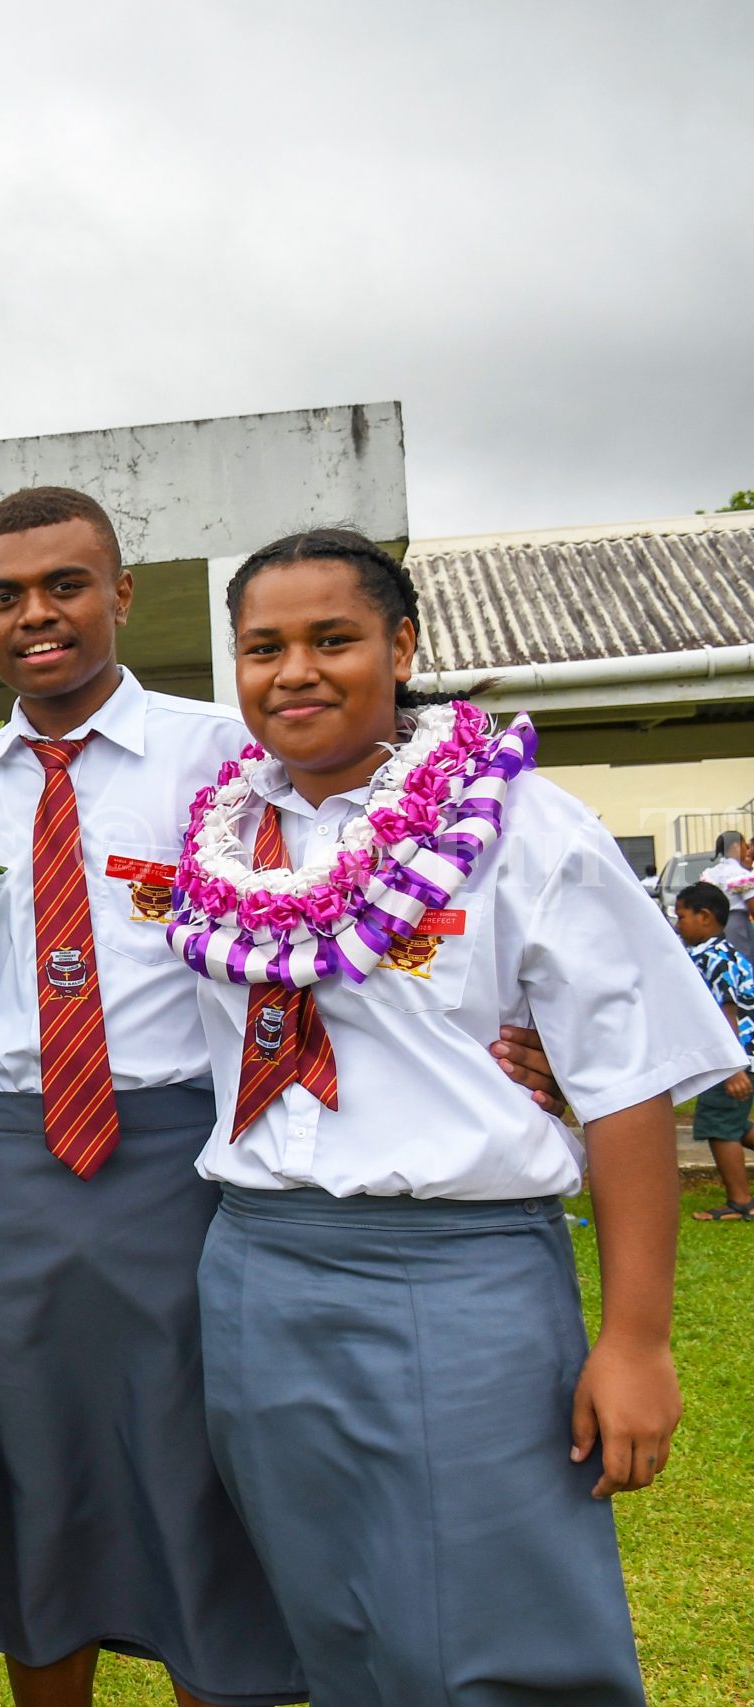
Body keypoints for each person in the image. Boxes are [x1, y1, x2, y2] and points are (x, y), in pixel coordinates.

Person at [0, 487, 565, 1707]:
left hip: (186, 1148)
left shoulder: (229, 760)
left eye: (65, 584)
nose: (36, 616)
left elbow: (369, 900)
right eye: (3, 597)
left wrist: (512, 1028)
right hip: (10, 1156)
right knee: (29, 1466)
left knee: (202, 1465)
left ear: (121, 594)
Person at [183, 529, 742, 1704]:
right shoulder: (218, 839)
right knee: (327, 1617)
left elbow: (626, 1087)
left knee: (502, 1636)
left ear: (401, 644)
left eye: (331, 639)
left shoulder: (523, 826)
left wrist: (634, 1340)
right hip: (258, 1271)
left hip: (453, 1271)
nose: (294, 672)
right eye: (262, 647)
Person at [675, 879, 754, 1221]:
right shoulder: (728, 951)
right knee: (734, 1123)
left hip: (734, 1056)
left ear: (705, 916)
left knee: (719, 1125)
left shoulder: (710, 958)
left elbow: (728, 1010)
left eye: (682, 917)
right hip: (743, 1054)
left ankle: (741, 1203)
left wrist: (732, 1067)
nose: (678, 925)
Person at [709, 829, 754, 957]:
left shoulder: (711, 873)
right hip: (737, 924)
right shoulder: (739, 874)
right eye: (745, 846)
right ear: (736, 846)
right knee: (743, 959)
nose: (747, 850)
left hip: (716, 924)